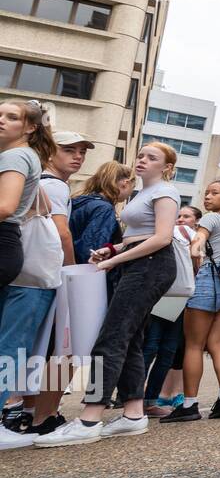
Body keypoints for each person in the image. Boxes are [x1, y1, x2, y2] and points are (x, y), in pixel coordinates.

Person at [35, 143, 181, 447]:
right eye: (141, 155)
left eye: (151, 158)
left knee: (112, 337)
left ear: (166, 166)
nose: (142, 160)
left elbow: (163, 237)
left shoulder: (165, 191)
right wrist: (114, 249)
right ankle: (132, 413)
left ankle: (90, 418)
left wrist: (116, 259)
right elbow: (140, 234)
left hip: (150, 266)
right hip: (139, 263)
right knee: (129, 340)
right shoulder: (145, 193)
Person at [0, 131, 91, 437]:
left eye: (82, 151)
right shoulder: (55, 186)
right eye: (69, 150)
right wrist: (71, 273)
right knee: (15, 348)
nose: (77, 156)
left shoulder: (30, 178)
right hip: (33, 276)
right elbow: (62, 232)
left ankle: (21, 410)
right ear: (50, 152)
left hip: (16, 270)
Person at [162, 180, 220, 423]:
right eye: (206, 192)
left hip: (211, 282)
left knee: (194, 345)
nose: (207, 197)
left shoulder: (212, 218)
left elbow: (199, 238)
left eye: (214, 193)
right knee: (217, 342)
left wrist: (195, 248)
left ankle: (189, 404)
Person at [0, 101, 58, 451]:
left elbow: (6, 207)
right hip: (11, 248)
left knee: (9, 345)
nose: (1, 121)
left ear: (30, 127)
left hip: (5, 242)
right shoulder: (20, 156)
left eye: (11, 117)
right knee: (9, 346)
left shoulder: (16, 157)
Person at [140, 205, 202, 417]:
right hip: (173, 294)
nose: (181, 219)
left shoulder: (189, 234)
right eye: (178, 216)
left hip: (173, 294)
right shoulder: (180, 233)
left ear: (196, 221)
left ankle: (143, 400)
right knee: (157, 348)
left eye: (186, 216)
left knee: (163, 349)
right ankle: (139, 400)